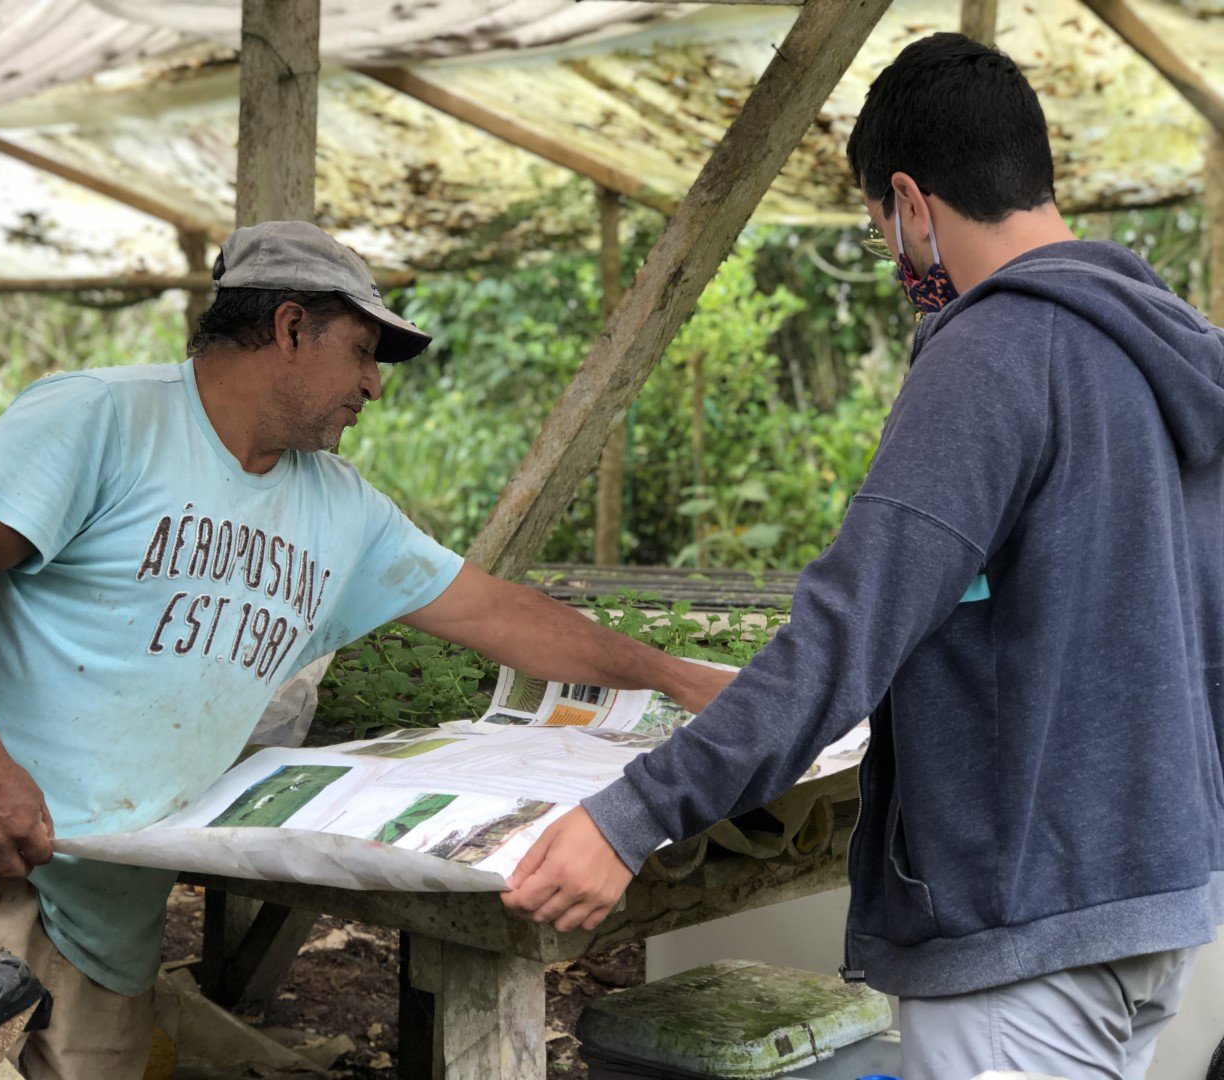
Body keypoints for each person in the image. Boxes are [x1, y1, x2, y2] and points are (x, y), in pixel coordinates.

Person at [0, 221, 733, 1080]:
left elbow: (505, 615)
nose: (375, 385)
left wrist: (676, 676)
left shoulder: (339, 509)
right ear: (291, 327)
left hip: (107, 905)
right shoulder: (102, 419)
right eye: (363, 352)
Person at [503, 32, 1224, 1079]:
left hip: (1020, 939)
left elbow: (844, 633)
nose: (895, 256)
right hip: (1155, 908)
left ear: (910, 201)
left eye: (883, 225)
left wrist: (631, 816)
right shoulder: (1168, 355)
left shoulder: (991, 355)